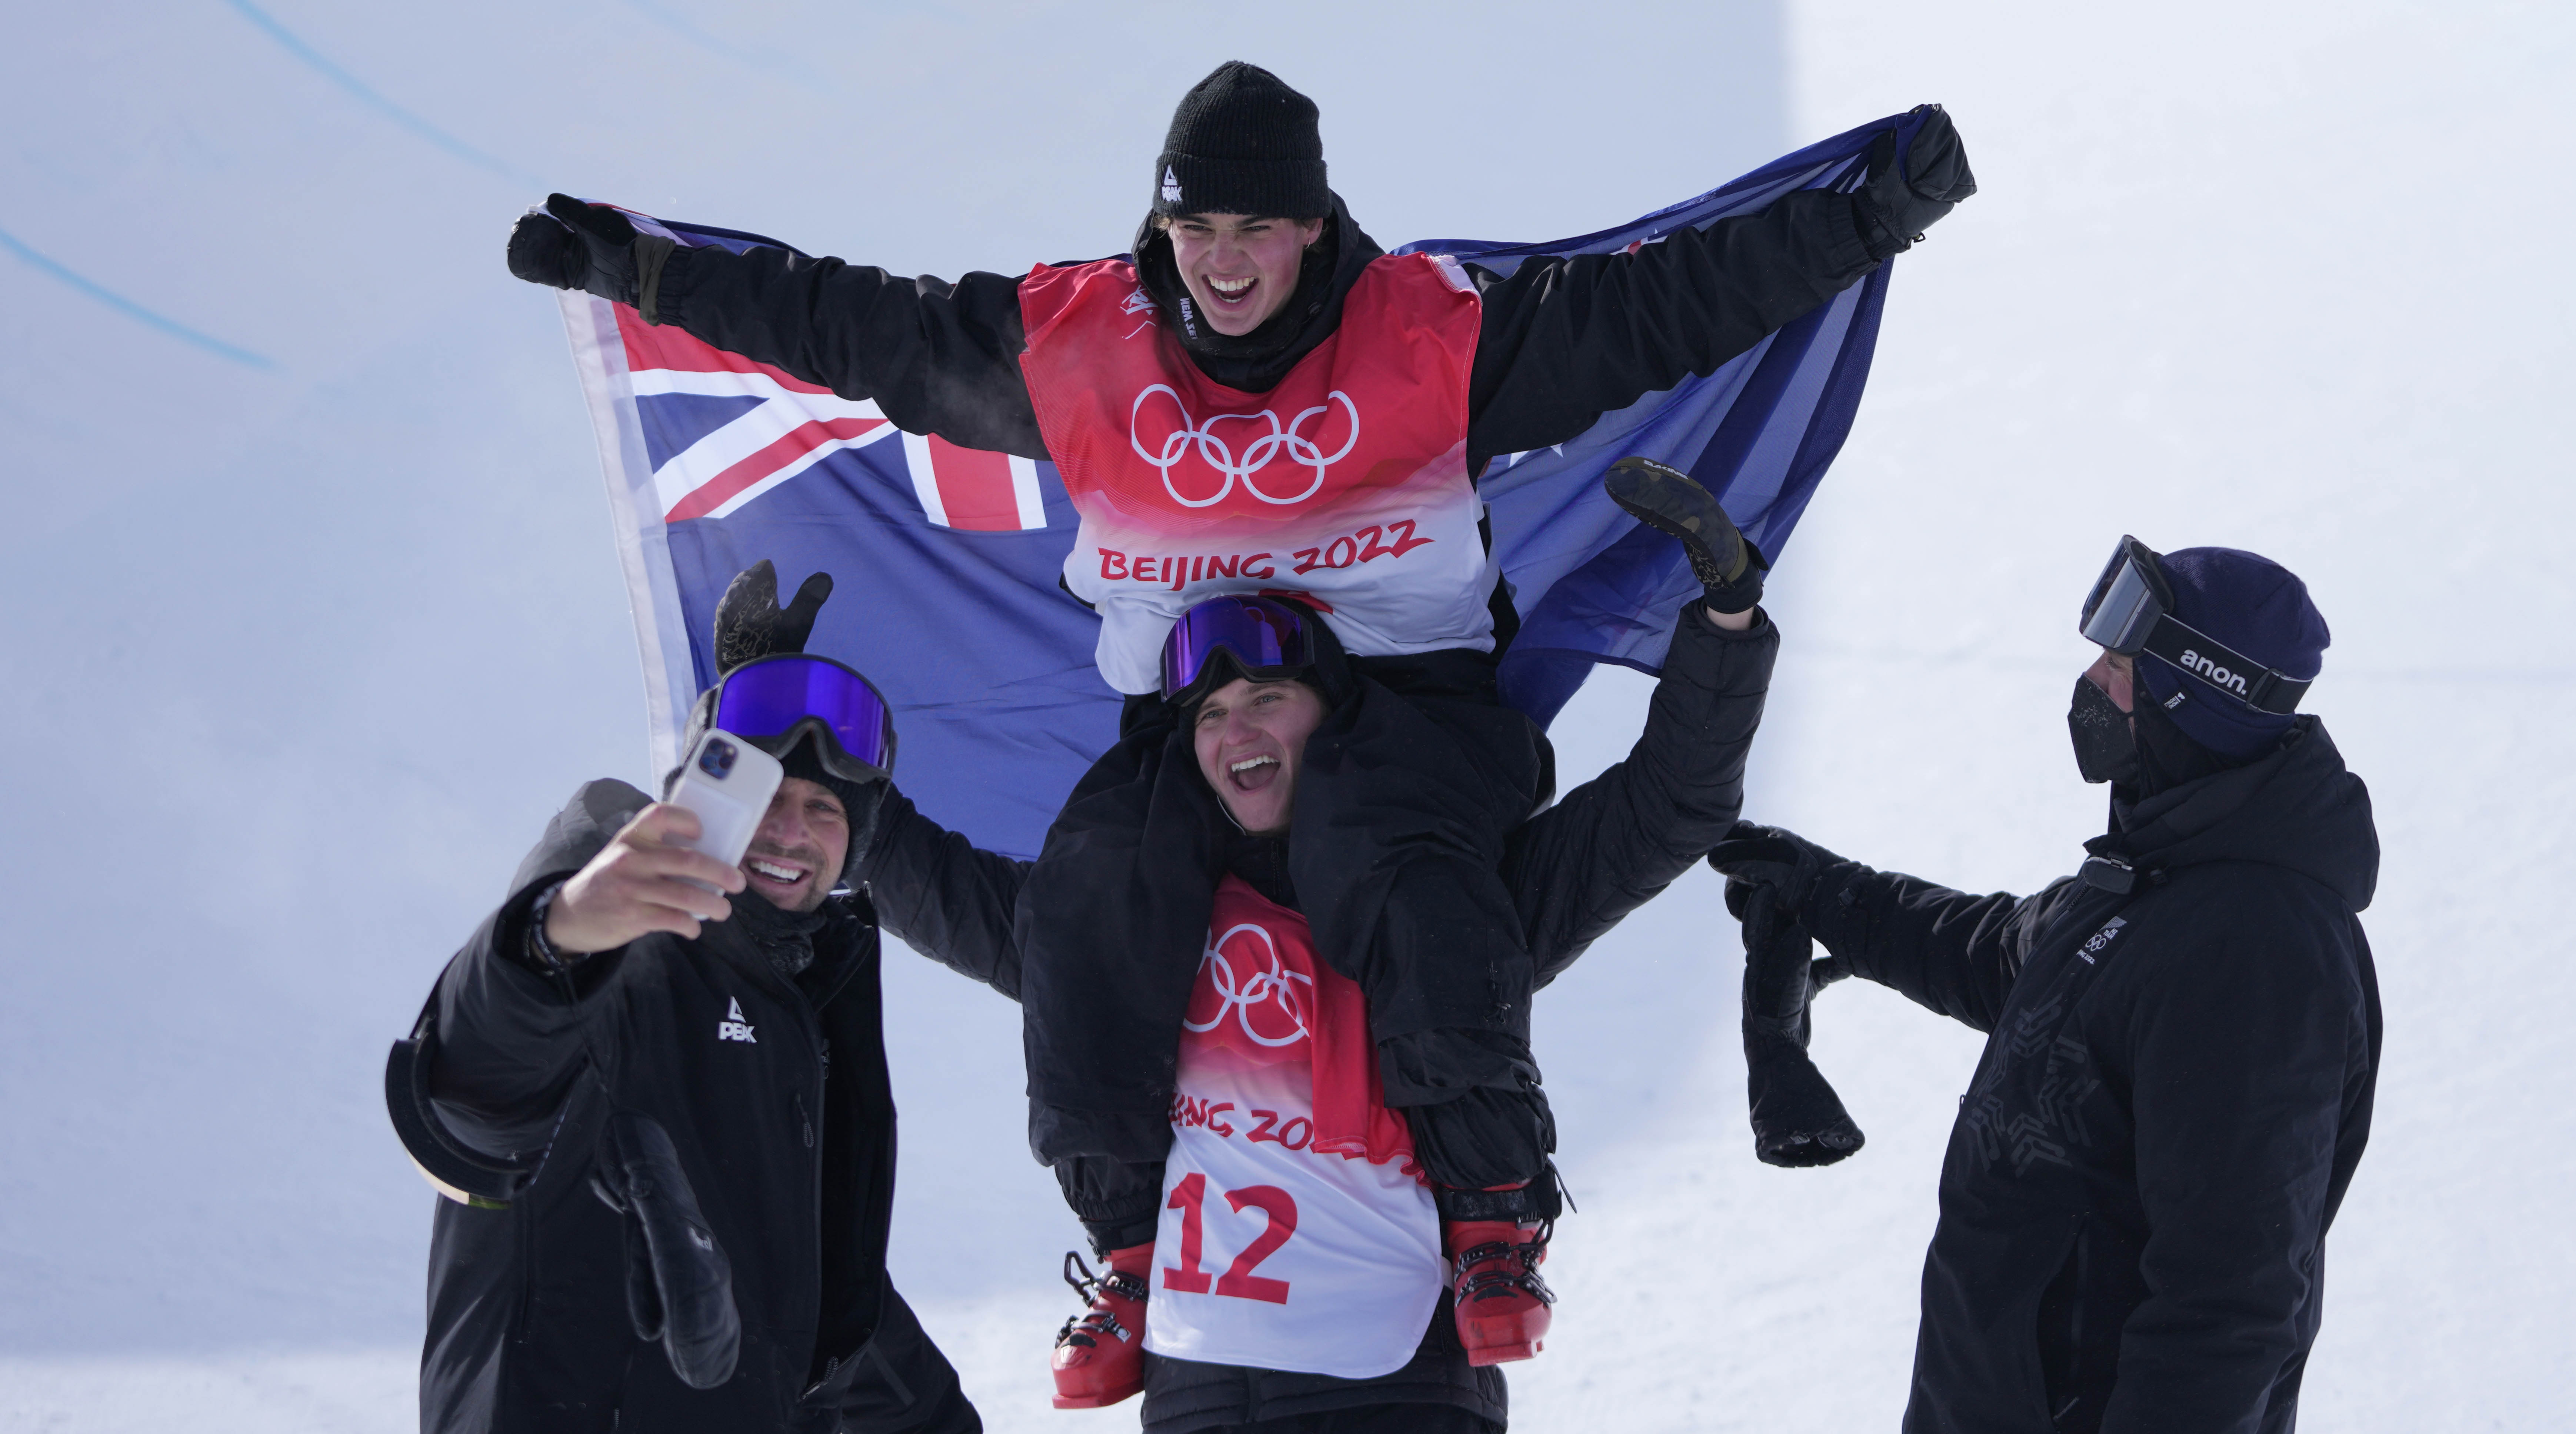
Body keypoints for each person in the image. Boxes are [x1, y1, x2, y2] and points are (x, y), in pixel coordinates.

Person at [502, 58, 1976, 1378]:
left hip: (1403, 714)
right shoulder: (1080, 343)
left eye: (1253, 229)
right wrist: (650, 271)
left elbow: (1663, 305)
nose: (1219, 261)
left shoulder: (1431, 335)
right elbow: (865, 327)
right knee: (1093, 887)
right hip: (1186, 711)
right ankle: (1129, 1240)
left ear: (1312, 230)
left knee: (1392, 859)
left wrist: (1870, 215)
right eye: (1193, 227)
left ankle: (1485, 1209)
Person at [844, 468, 1783, 1430]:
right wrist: (787, 739)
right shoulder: (1129, 919)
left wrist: (1727, 620)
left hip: (1396, 1380)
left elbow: (1668, 805)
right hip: (1196, 1386)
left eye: (1265, 697)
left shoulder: (1450, 893)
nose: (1235, 730)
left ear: (1333, 719)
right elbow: (926, 883)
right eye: (1209, 715)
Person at [1712, 538, 2381, 1434]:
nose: (2091, 681)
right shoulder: (2157, 882)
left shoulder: (2255, 951)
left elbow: (2229, 1300)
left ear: (2193, 697)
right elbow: (2005, 956)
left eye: (2119, 665)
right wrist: (1828, 890)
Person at [390, 565, 981, 1434]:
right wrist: (554, 935)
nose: (791, 829)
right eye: (764, 795)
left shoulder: (805, 1012)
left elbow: (828, 1310)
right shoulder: (631, 961)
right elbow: (477, 1090)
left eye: (824, 807)